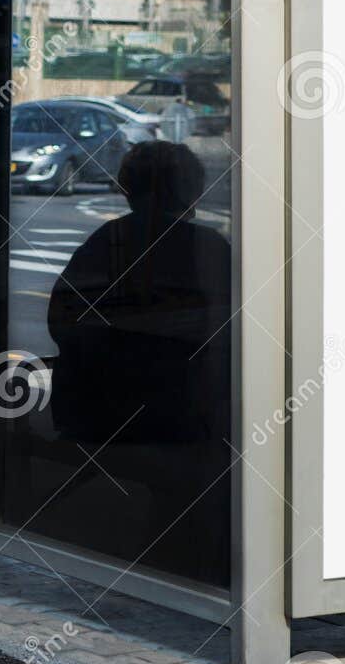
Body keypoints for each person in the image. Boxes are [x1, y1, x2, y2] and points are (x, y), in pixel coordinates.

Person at [48, 140, 231, 445]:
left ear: (129, 190)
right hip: (182, 417)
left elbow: (60, 320)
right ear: (192, 192)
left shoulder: (108, 240)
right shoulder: (208, 248)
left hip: (94, 414)